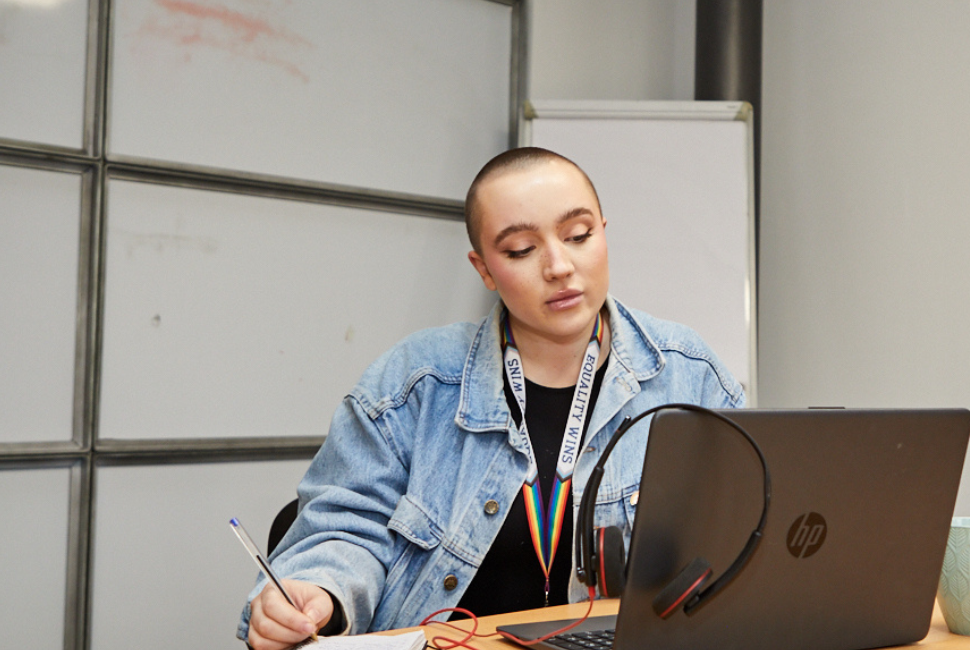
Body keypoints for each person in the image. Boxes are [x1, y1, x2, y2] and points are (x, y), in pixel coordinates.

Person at [239, 147, 745, 649]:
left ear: (604, 234)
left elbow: (743, 539)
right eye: (521, 250)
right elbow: (345, 526)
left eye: (578, 236)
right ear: (484, 270)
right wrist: (319, 590)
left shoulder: (687, 374)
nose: (558, 266)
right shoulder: (415, 383)